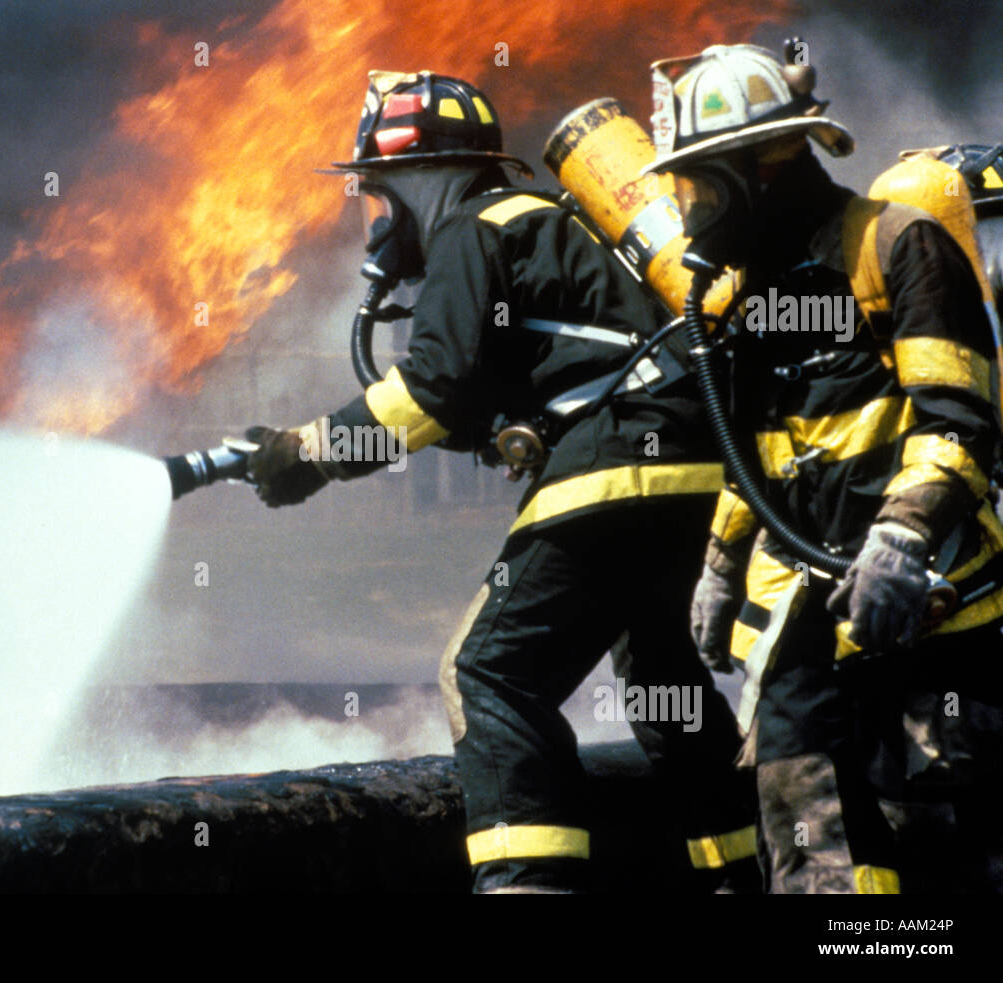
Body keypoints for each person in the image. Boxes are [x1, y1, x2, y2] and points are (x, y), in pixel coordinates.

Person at [246, 70, 757, 893]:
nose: (377, 225)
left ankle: (529, 883)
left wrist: (309, 450)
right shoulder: (553, 223)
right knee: (664, 682)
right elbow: (473, 406)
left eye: (378, 198)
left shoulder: (473, 229)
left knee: (488, 673)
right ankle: (744, 873)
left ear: (424, 177)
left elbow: (433, 386)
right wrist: (321, 464)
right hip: (698, 471)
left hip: (613, 471)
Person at [649, 44, 1003, 892]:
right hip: (803, 628)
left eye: (700, 185)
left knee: (941, 846)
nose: (691, 212)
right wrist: (722, 566)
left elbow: (959, 418)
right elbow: (752, 458)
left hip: (929, 610)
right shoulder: (736, 298)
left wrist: (901, 539)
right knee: (810, 842)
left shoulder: (895, 245)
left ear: (758, 171)